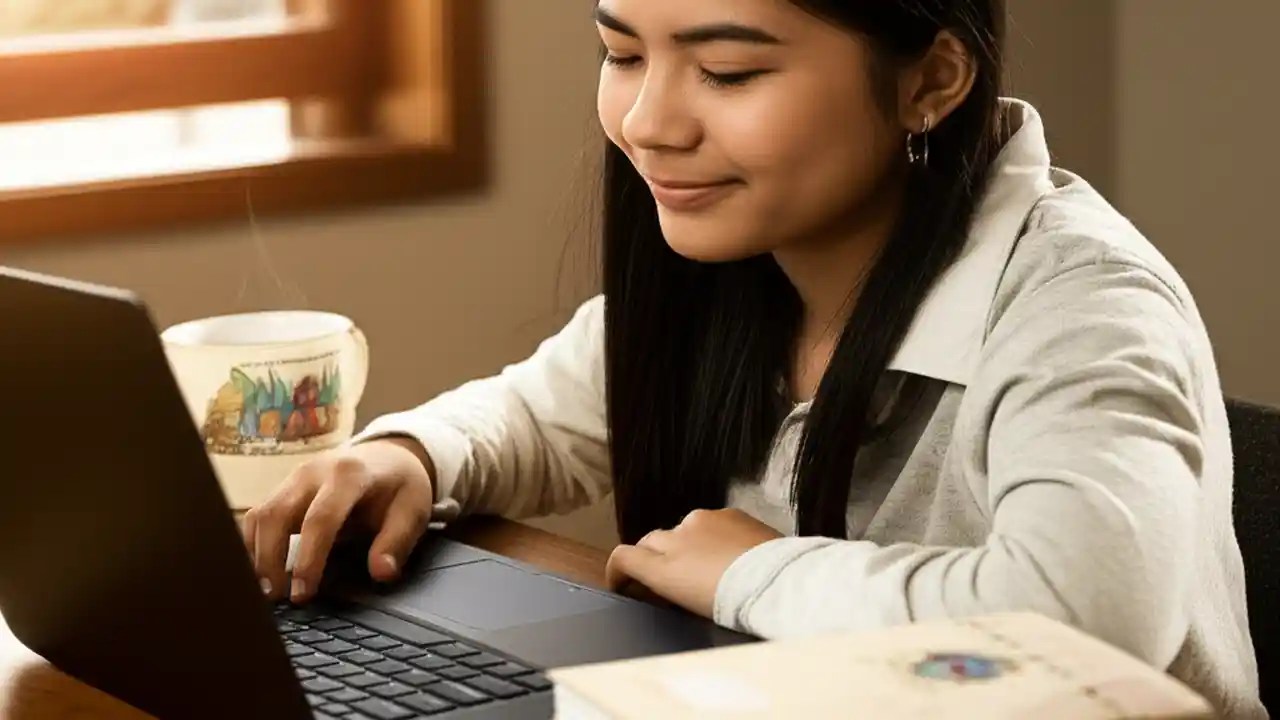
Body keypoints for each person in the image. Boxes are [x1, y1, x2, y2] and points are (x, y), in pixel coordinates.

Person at [240, 1, 1265, 716]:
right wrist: (410, 456)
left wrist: (752, 571)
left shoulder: (1081, 304)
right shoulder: (739, 250)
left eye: (727, 71)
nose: (646, 124)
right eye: (622, 53)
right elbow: (537, 420)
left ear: (931, 80)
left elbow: (1081, 624)